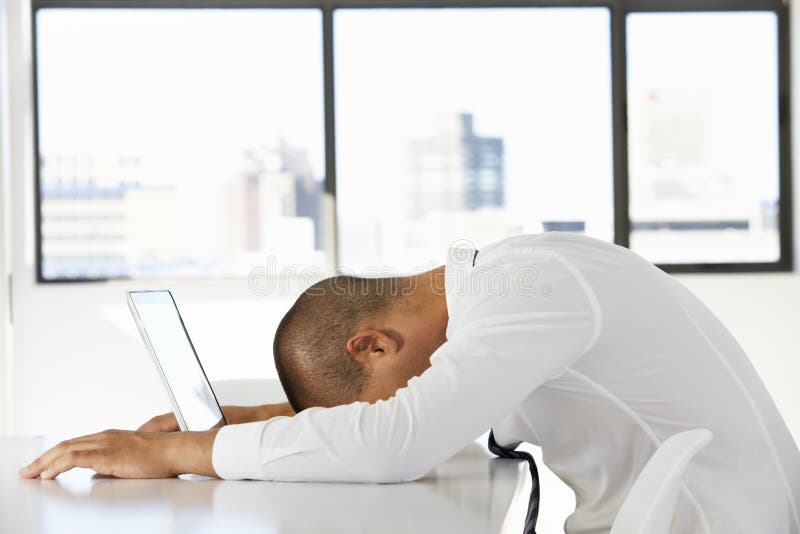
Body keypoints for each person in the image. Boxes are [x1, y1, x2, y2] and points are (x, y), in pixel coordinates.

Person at [19, 233, 800, 533]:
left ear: (373, 343)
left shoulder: (530, 289)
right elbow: (465, 421)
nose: (394, 404)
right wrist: (255, 418)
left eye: (377, 391)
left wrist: (181, 453)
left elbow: (400, 441)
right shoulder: (512, 287)